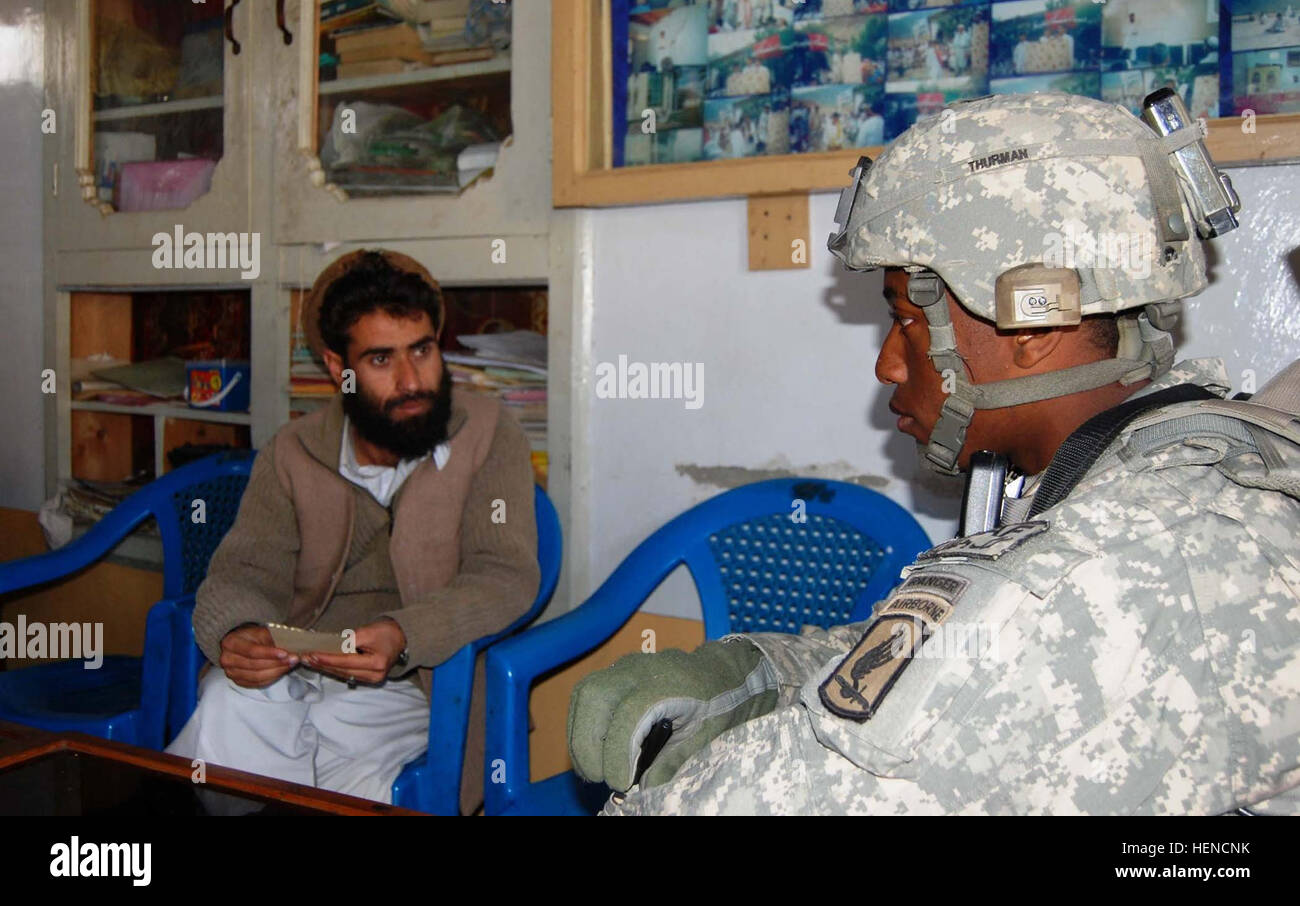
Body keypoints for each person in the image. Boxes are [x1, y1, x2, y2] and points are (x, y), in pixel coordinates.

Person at [568, 91, 1300, 815]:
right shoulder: (1168, 469)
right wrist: (760, 672)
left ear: (1031, 329)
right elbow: (938, 656)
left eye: (905, 321)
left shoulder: (1083, 574)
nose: (889, 364)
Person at [167, 250, 540, 814]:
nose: (412, 380)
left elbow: (505, 576)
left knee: (346, 783)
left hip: (419, 683)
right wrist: (238, 631)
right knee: (225, 701)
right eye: (381, 359)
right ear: (337, 364)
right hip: (298, 668)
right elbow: (244, 569)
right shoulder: (294, 450)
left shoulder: (487, 433)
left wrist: (403, 633)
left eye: (422, 349)